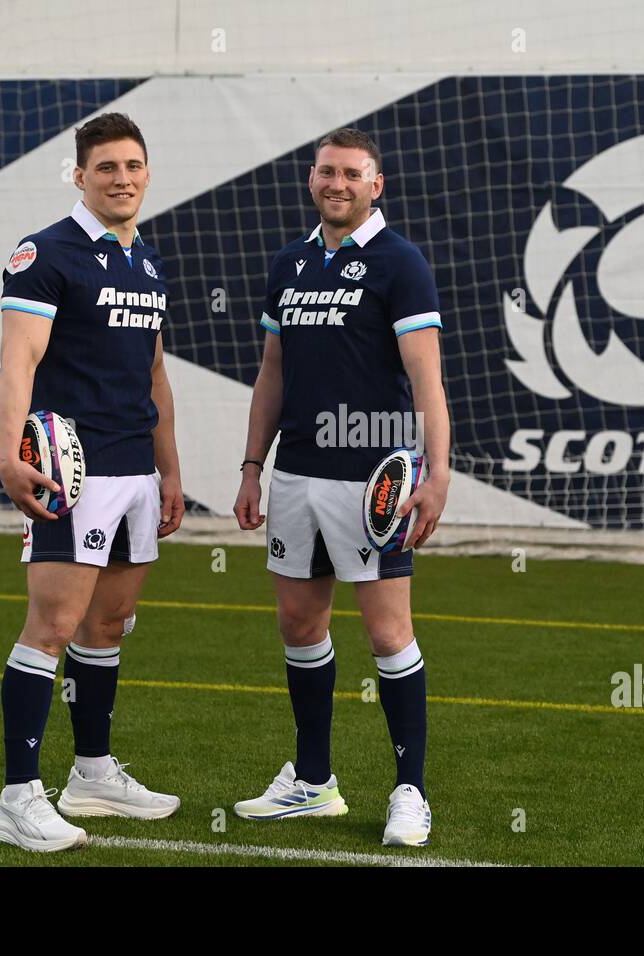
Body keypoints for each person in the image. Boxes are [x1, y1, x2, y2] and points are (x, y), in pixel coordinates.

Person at [232, 127, 449, 846]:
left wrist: (436, 473)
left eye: (352, 174)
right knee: (299, 625)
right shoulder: (289, 263)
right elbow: (273, 372)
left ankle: (410, 792)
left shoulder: (401, 263)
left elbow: (427, 382)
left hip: (371, 481)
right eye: (327, 172)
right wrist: (252, 466)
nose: (338, 184)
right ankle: (313, 782)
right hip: (294, 474)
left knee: (389, 634)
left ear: (375, 184)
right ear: (311, 179)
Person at [0, 112, 185, 852]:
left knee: (107, 627)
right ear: (79, 175)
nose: (122, 178)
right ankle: (16, 797)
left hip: (136, 469)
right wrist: (9, 453)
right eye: (106, 168)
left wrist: (169, 470)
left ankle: (93, 774)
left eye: (133, 165)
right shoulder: (46, 254)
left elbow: (156, 374)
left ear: (147, 173)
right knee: (53, 627)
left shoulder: (150, 262)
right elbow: (18, 363)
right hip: (74, 472)